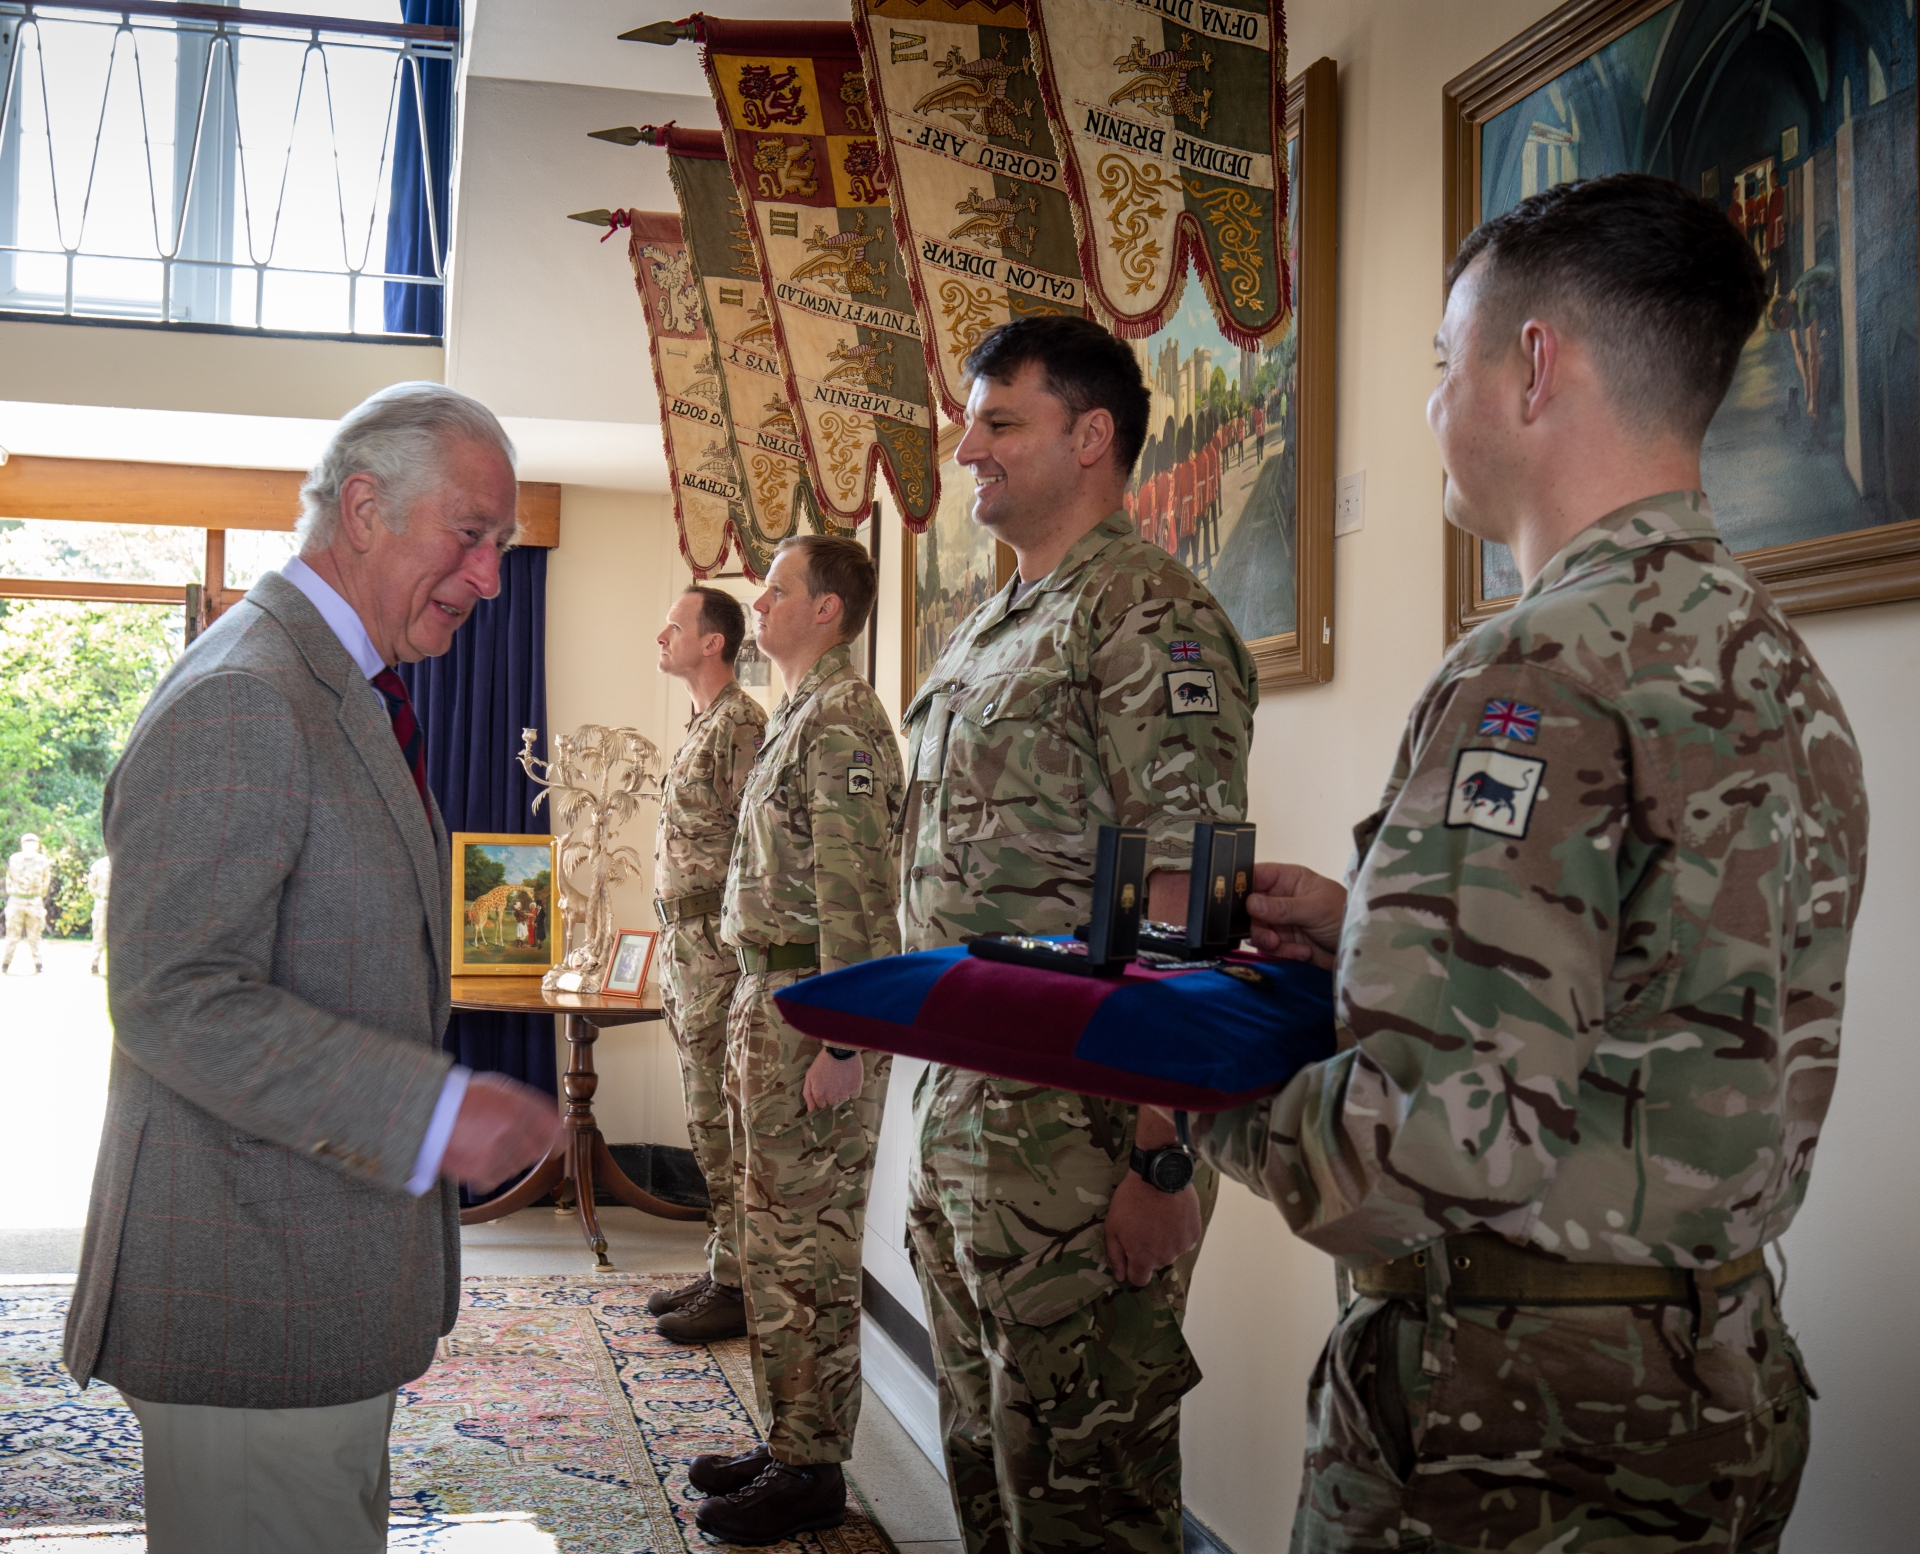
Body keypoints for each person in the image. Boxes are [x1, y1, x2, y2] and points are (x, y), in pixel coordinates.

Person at [1179, 174, 1868, 1553]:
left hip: (1518, 1435)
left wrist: (1186, 1086)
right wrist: (1372, 917)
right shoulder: (1777, 663)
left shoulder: (1538, 667)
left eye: (1447, 360)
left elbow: (1433, 1142)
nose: (1436, 399)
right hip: (1714, 1375)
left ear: (1533, 366)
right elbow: (1657, 991)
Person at [63, 382, 565, 1554]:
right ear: (362, 508)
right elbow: (172, 998)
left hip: (306, 1289)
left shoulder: (330, 683)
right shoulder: (247, 695)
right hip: (251, 1303)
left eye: (502, 545)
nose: (490, 577)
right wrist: (429, 1105)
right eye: (472, 534)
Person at [900, 315, 1258, 1554]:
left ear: (1090, 437)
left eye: (999, 422)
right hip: (968, 1119)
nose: (968, 448)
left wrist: (1163, 1155)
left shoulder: (1145, 613)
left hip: (1087, 1138)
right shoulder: (996, 622)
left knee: (1085, 1499)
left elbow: (1194, 885)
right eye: (972, 421)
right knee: (987, 1463)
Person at [689, 535, 902, 1543]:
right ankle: (787, 1439)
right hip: (767, 998)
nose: (758, 604)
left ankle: (812, 1465)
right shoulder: (797, 717)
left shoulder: (844, 724)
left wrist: (845, 1042)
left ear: (827, 610)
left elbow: (858, 896)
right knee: (772, 1242)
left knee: (808, 1250)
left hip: (814, 1012)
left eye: (776, 590)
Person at [646, 583, 767, 1343]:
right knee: (702, 1118)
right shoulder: (702, 724)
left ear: (713, 641)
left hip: (717, 955)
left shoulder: (741, 726)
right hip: (684, 950)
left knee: (723, 1120)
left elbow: (757, 854)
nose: (662, 635)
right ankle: (724, 1266)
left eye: (675, 625)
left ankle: (741, 1285)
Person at [2, 832, 52, 974]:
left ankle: (38, 964)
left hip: (34, 901)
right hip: (16, 901)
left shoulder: (43, 861)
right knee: (12, 935)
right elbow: (9, 879)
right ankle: (5, 963)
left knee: (35, 936)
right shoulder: (14, 859)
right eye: (26, 843)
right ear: (22, 845)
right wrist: (15, 893)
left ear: (37, 845)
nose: (29, 845)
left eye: (32, 843)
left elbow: (45, 881)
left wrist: (37, 896)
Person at [86, 854, 110, 976]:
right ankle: (94, 964)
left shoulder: (126, 862)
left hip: (121, 903)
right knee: (99, 933)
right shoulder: (99, 865)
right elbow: (91, 885)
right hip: (102, 902)